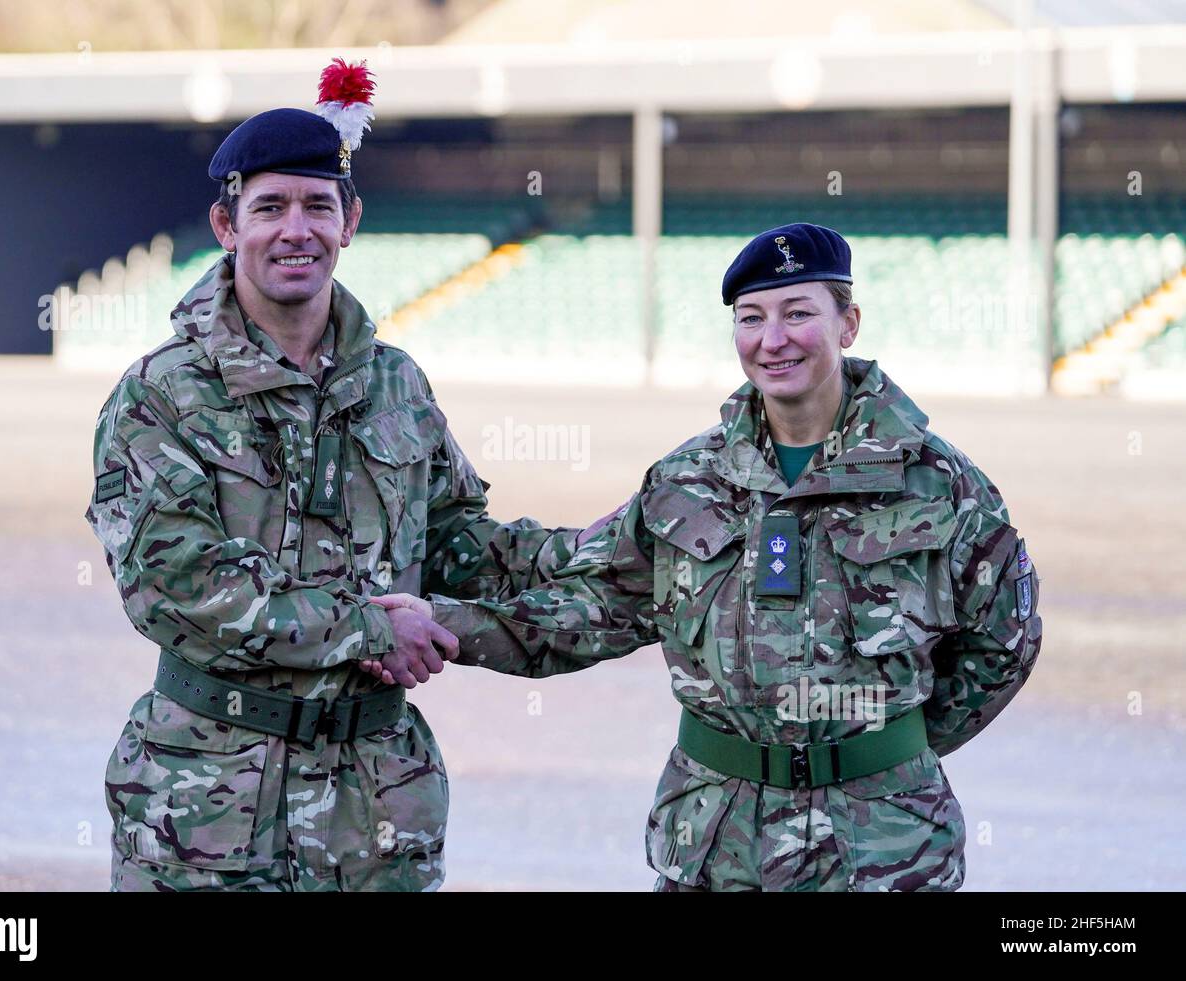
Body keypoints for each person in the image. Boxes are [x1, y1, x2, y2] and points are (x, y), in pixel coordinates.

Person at [372, 221, 1043, 891]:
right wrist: (451, 625)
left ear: (848, 323)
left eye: (797, 313)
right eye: (751, 317)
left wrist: (888, 748)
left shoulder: (937, 481)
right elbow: (592, 608)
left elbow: (1003, 641)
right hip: (717, 846)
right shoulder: (688, 479)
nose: (772, 339)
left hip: (883, 848)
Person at [85, 60, 576, 892]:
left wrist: (613, 554)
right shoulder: (161, 393)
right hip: (211, 801)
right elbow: (180, 587)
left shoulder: (395, 383)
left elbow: (459, 543)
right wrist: (375, 629)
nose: (295, 229)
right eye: (269, 207)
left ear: (350, 220)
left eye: (317, 205)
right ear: (224, 223)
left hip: (376, 803)